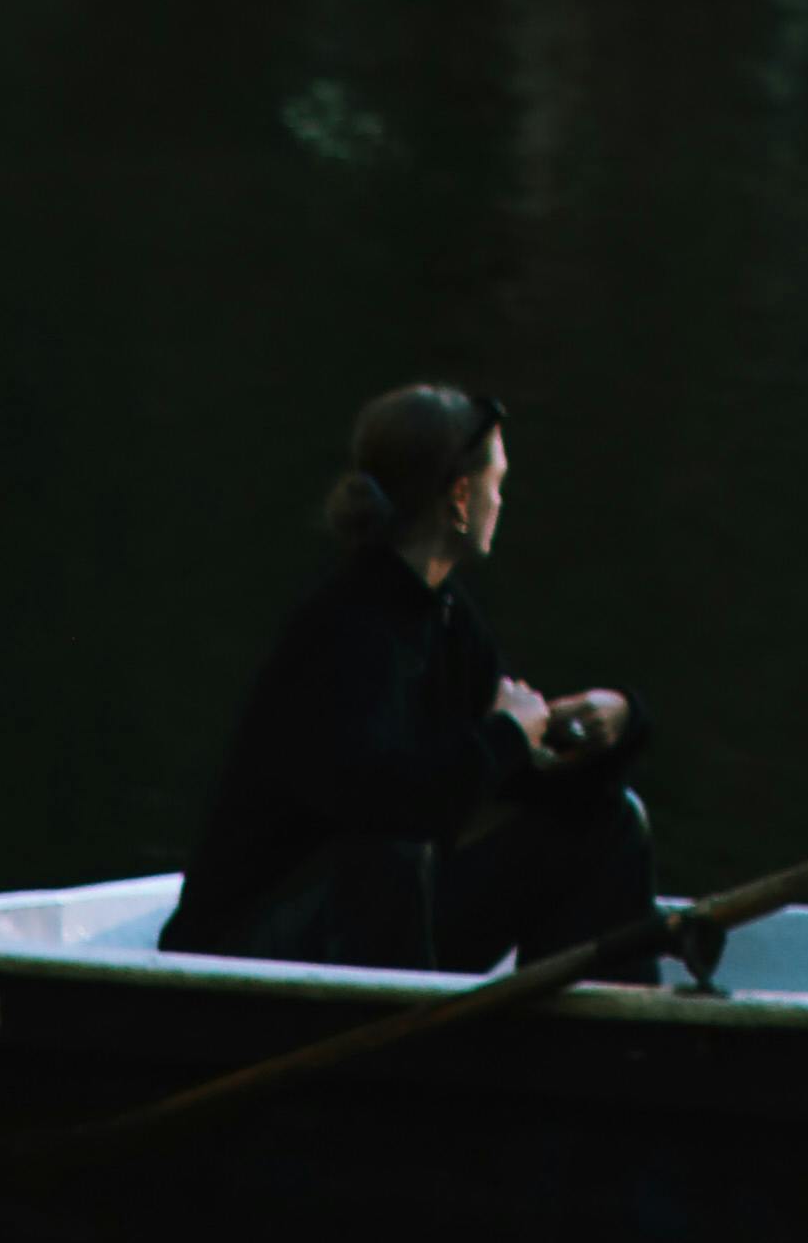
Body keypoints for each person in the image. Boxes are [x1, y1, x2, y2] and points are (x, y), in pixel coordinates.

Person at [163, 374, 654, 971]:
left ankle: (594, 1046)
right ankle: (410, 1058)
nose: (503, 501)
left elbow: (503, 780)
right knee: (392, 852)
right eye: (496, 483)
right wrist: (504, 736)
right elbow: (387, 801)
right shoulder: (346, 629)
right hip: (241, 951)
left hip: (361, 921)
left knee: (608, 823)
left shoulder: (445, 616)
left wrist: (618, 720)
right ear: (459, 498)